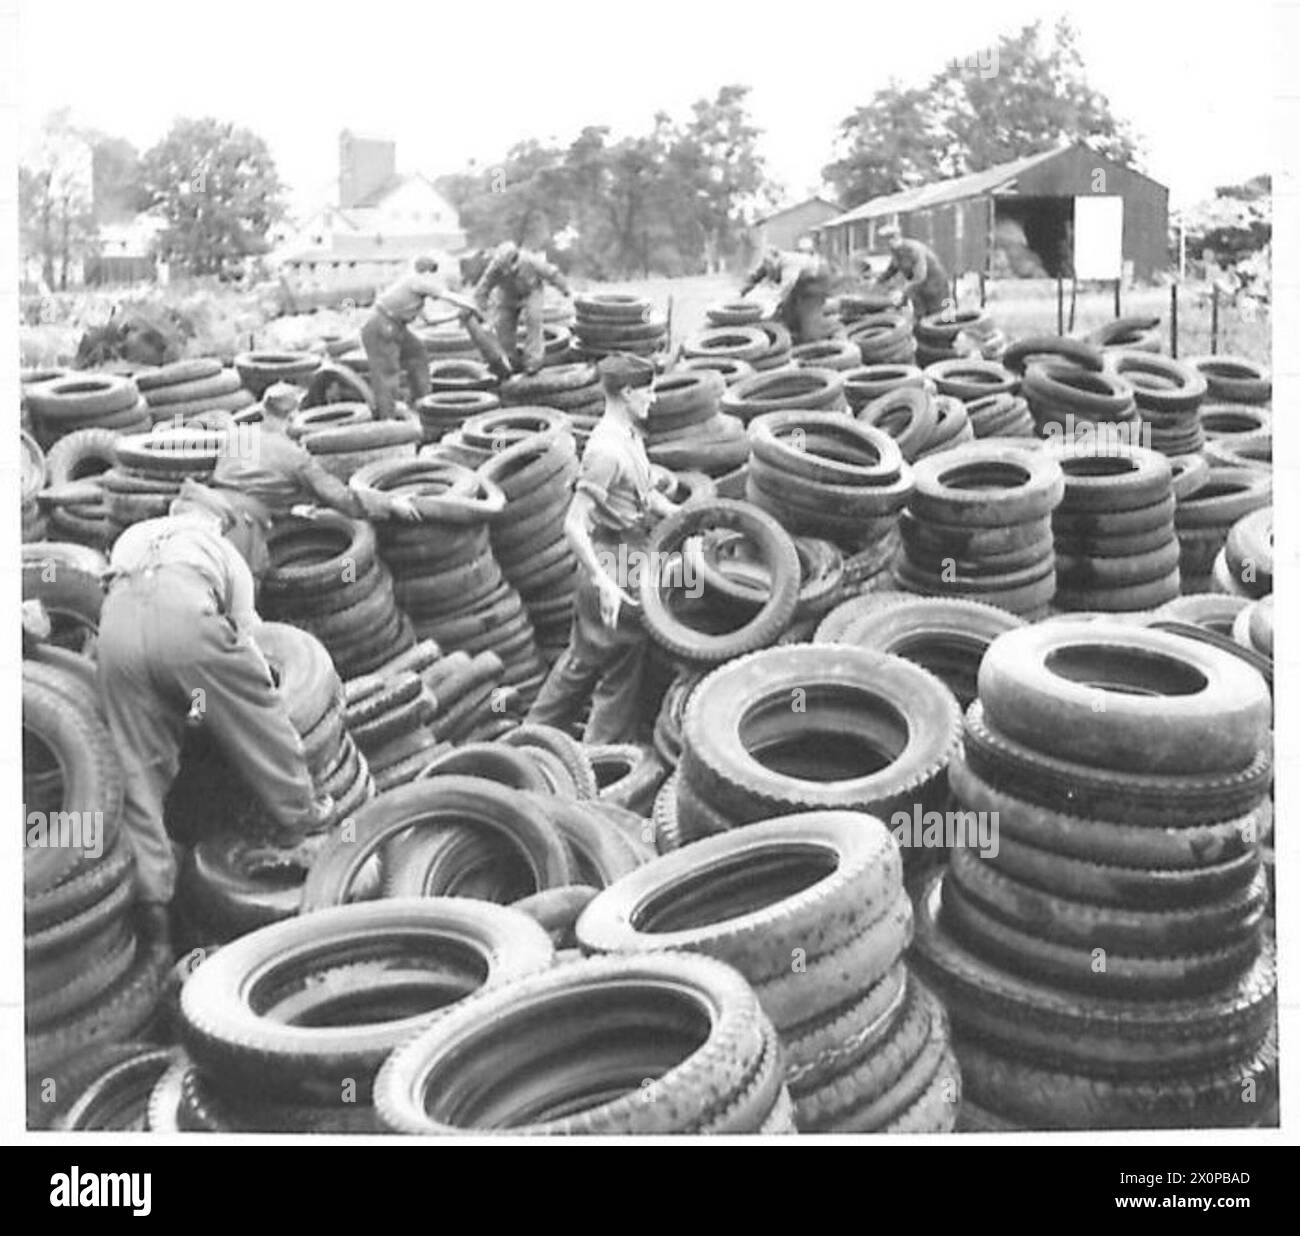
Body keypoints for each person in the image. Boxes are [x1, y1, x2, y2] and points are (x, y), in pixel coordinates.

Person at [97, 498, 333, 945]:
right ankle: (298, 813)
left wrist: (190, 704)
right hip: (186, 617)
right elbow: (252, 644)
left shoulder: (133, 537)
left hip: (118, 631)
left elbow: (108, 601)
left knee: (137, 766)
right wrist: (245, 694)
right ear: (221, 524)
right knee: (257, 715)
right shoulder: (222, 551)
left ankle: (154, 901)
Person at [526, 353, 678, 743]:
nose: (654, 398)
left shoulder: (629, 436)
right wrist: (605, 582)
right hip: (614, 562)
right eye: (649, 390)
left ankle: (531, 739)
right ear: (627, 393)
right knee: (618, 670)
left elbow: (643, 499)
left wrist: (690, 515)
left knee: (584, 658)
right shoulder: (605, 452)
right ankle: (599, 764)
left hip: (632, 553)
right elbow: (573, 524)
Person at [176, 389, 421, 586]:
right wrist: (389, 502)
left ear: (263, 410)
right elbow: (342, 499)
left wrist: (289, 508)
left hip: (199, 506)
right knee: (239, 590)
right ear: (294, 417)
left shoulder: (240, 435)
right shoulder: (296, 457)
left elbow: (249, 483)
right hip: (240, 525)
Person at [361, 256, 486, 419]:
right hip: (380, 325)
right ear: (426, 272)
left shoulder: (415, 294)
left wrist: (457, 315)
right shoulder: (416, 281)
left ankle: (423, 402)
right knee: (387, 373)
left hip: (396, 326)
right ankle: (387, 421)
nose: (435, 278)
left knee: (416, 352)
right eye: (433, 273)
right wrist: (473, 306)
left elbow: (429, 321)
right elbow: (447, 296)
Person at [473, 238, 573, 375]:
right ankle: (509, 360)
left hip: (531, 292)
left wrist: (565, 289)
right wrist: (479, 310)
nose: (505, 271)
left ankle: (533, 361)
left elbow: (552, 273)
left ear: (515, 259)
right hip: (507, 296)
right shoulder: (495, 267)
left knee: (533, 319)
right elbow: (483, 288)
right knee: (502, 325)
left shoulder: (531, 261)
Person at [739, 237, 832, 344]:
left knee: (808, 328)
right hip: (800, 282)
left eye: (770, 264)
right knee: (787, 313)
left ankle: (832, 328)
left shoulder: (789, 263)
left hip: (817, 280)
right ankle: (791, 335)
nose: (768, 267)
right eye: (766, 263)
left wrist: (773, 303)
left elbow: (787, 286)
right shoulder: (769, 262)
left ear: (777, 257)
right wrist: (743, 292)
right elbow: (757, 276)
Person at [871, 224, 950, 318]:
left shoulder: (913, 249)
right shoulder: (896, 251)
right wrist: (877, 281)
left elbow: (920, 276)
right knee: (920, 316)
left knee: (939, 318)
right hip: (918, 288)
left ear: (896, 237)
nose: (887, 244)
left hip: (935, 285)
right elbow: (892, 268)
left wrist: (902, 291)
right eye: (885, 241)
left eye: (889, 240)